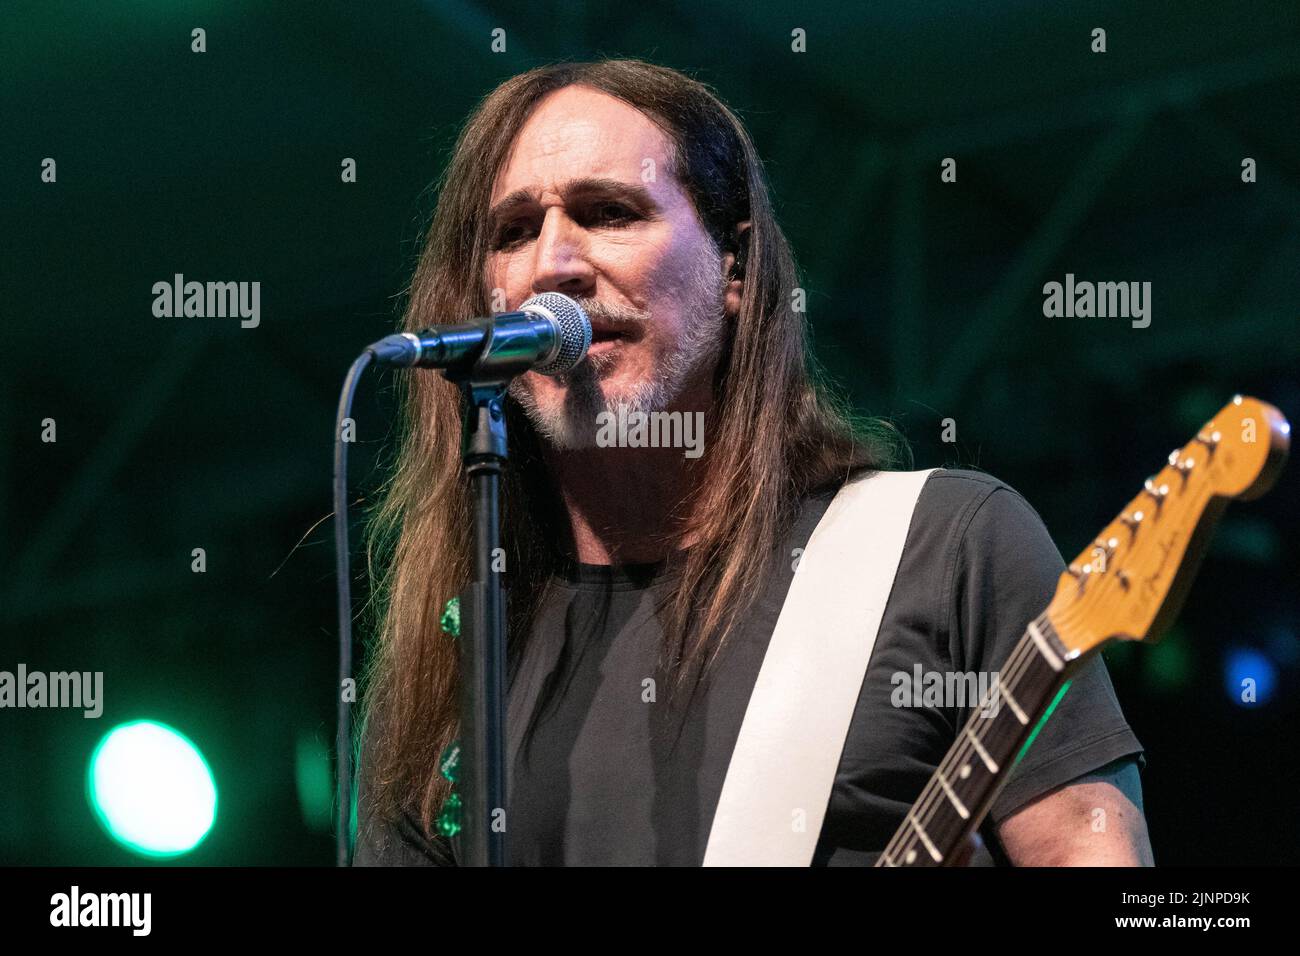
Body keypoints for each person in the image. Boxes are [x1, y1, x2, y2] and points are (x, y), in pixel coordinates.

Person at [353, 58, 1151, 866]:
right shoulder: (462, 651)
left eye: (609, 212)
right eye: (514, 231)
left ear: (734, 267)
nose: (552, 265)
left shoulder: (939, 549)